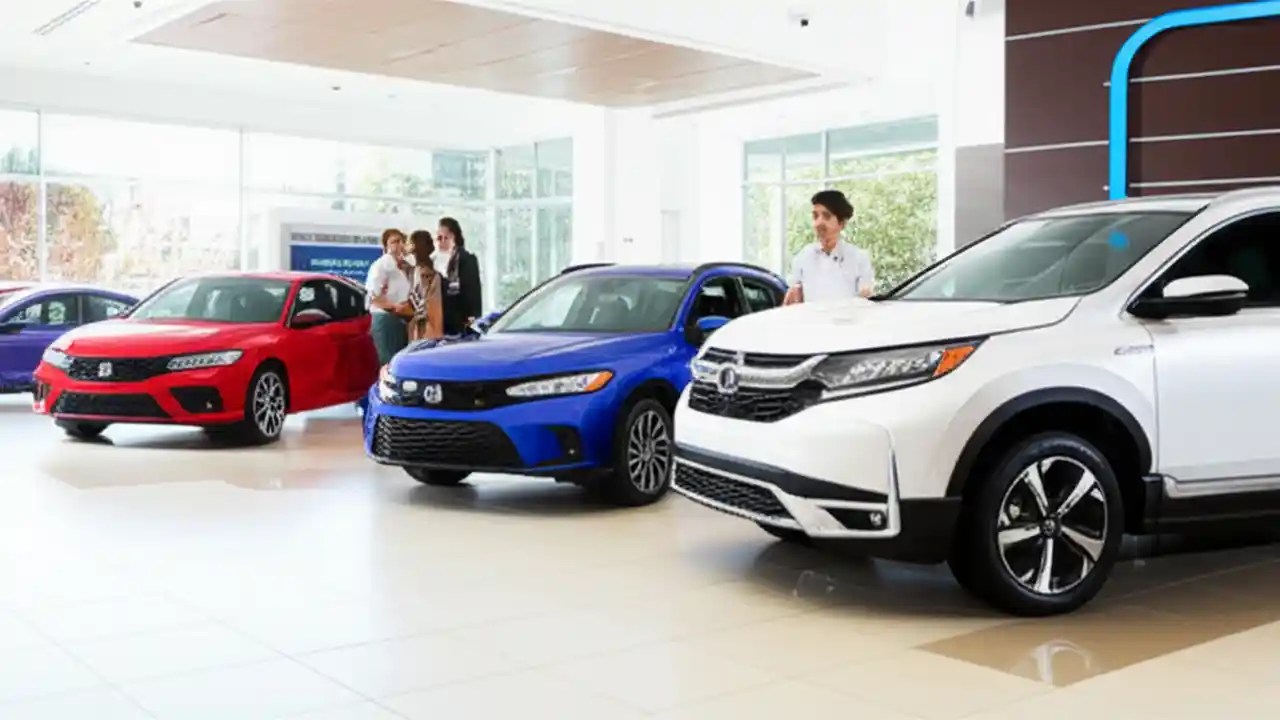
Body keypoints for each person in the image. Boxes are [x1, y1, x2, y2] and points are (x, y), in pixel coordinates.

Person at [783, 189, 875, 305]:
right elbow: (792, 302)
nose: (818, 223)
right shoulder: (803, 257)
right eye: (815, 216)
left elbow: (866, 301)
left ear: (842, 223)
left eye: (826, 216)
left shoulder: (859, 258)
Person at [365, 228, 414, 364]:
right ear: (386, 246)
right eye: (394, 242)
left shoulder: (406, 266)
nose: (398, 245)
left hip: (402, 318)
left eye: (401, 241)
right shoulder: (381, 265)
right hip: (386, 318)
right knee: (389, 363)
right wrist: (394, 307)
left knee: (401, 361)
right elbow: (373, 295)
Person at [432, 217, 483, 335]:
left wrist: (472, 318)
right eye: (439, 238)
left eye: (446, 238)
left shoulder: (465, 259)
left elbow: (471, 291)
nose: (442, 242)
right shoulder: (435, 258)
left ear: (455, 238)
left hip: (459, 319)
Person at [405, 229, 444, 342]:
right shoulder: (431, 272)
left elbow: (415, 305)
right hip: (433, 327)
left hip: (425, 329)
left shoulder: (423, 274)